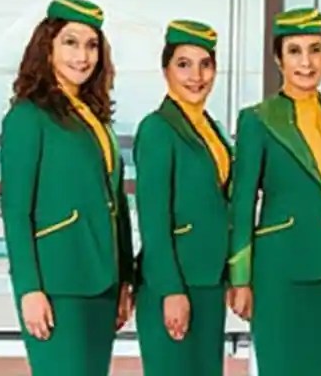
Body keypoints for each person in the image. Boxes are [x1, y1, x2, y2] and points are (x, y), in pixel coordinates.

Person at [228, 7, 321, 375]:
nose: (306, 62)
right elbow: (242, 204)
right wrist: (241, 278)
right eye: (294, 51)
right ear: (278, 57)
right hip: (279, 271)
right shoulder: (257, 119)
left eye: (315, 49)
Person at [0, 0, 134, 376]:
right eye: (71, 43)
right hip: (58, 283)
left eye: (92, 45)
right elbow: (16, 211)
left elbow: (116, 204)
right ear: (48, 47)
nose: (83, 56)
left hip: (101, 281)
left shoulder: (96, 118)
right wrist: (29, 290)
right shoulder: (28, 117)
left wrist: (124, 276)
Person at [134, 20, 233, 375]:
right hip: (174, 284)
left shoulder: (210, 127)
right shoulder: (158, 128)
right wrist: (170, 290)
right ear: (166, 70)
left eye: (205, 64)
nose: (196, 75)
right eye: (184, 64)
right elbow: (153, 221)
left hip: (208, 281)